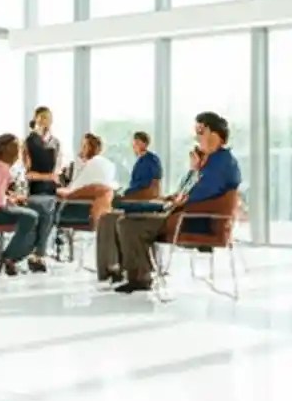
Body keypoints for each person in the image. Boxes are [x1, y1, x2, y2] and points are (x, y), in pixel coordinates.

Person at [115, 114, 242, 294]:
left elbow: (195, 195)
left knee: (128, 223)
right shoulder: (212, 162)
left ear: (215, 134)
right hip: (185, 214)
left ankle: (140, 278)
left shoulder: (221, 163)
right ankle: (140, 273)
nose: (197, 137)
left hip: (192, 220)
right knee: (129, 218)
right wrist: (193, 170)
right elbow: (186, 191)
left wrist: (177, 200)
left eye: (200, 131)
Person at [97, 146, 205, 284]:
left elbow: (186, 201)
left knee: (127, 220)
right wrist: (170, 198)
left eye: (194, 158)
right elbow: (178, 195)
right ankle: (110, 268)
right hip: (167, 206)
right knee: (107, 218)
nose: (191, 161)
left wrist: (173, 203)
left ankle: (136, 273)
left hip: (169, 213)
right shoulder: (189, 176)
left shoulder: (201, 178)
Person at [0, 134, 52, 277]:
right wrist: (11, 202)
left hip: (3, 207)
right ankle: (8, 256)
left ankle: (27, 256)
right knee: (32, 217)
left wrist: (13, 199)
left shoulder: (1, 168)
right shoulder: (1, 169)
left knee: (39, 213)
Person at [22, 107, 60, 269]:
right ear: (36, 120)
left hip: (51, 190)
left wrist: (52, 177)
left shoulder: (55, 142)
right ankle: (36, 254)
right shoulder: (29, 142)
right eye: (41, 118)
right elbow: (28, 172)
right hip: (35, 189)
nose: (45, 121)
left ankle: (38, 255)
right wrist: (46, 176)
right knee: (40, 215)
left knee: (48, 216)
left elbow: (57, 170)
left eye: (47, 118)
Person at [122, 131, 163, 198]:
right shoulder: (139, 161)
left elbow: (152, 184)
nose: (134, 145)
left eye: (137, 142)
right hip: (136, 192)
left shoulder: (152, 160)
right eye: (134, 142)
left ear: (145, 144)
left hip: (144, 194)